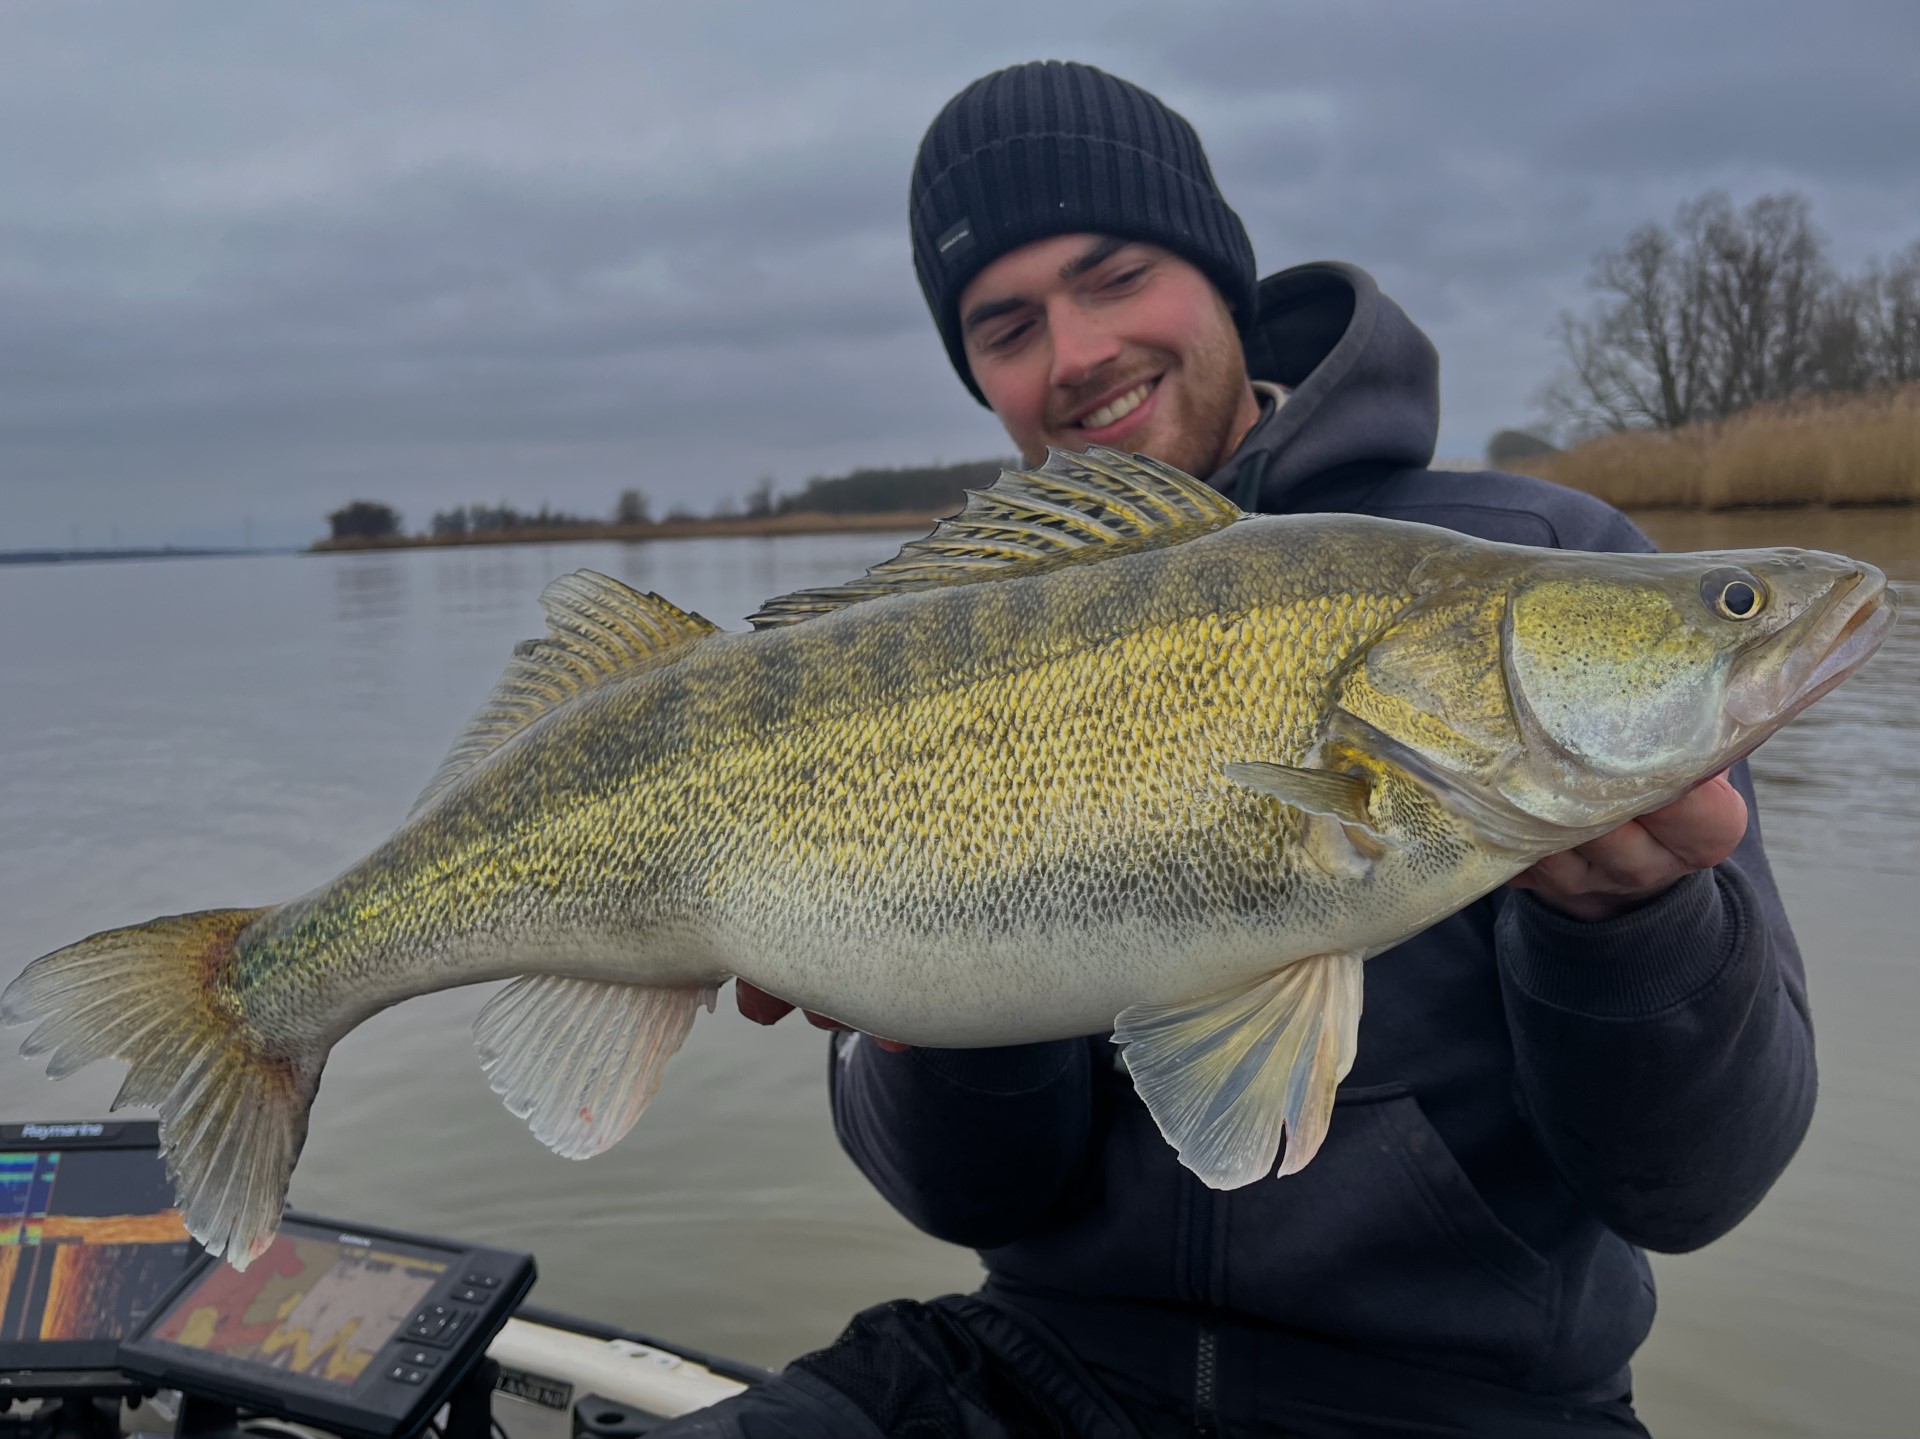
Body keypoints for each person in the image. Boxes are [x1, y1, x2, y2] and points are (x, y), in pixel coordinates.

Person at [655, 60, 1813, 1438]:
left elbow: (1696, 1188)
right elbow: (972, 1204)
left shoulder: (1543, 559)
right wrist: (926, 1027)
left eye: (1114, 272)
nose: (1075, 352)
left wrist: (1638, 934)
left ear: (1221, 276)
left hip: (1473, 1406)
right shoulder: (950, 637)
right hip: (1035, 1370)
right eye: (1006, 323)